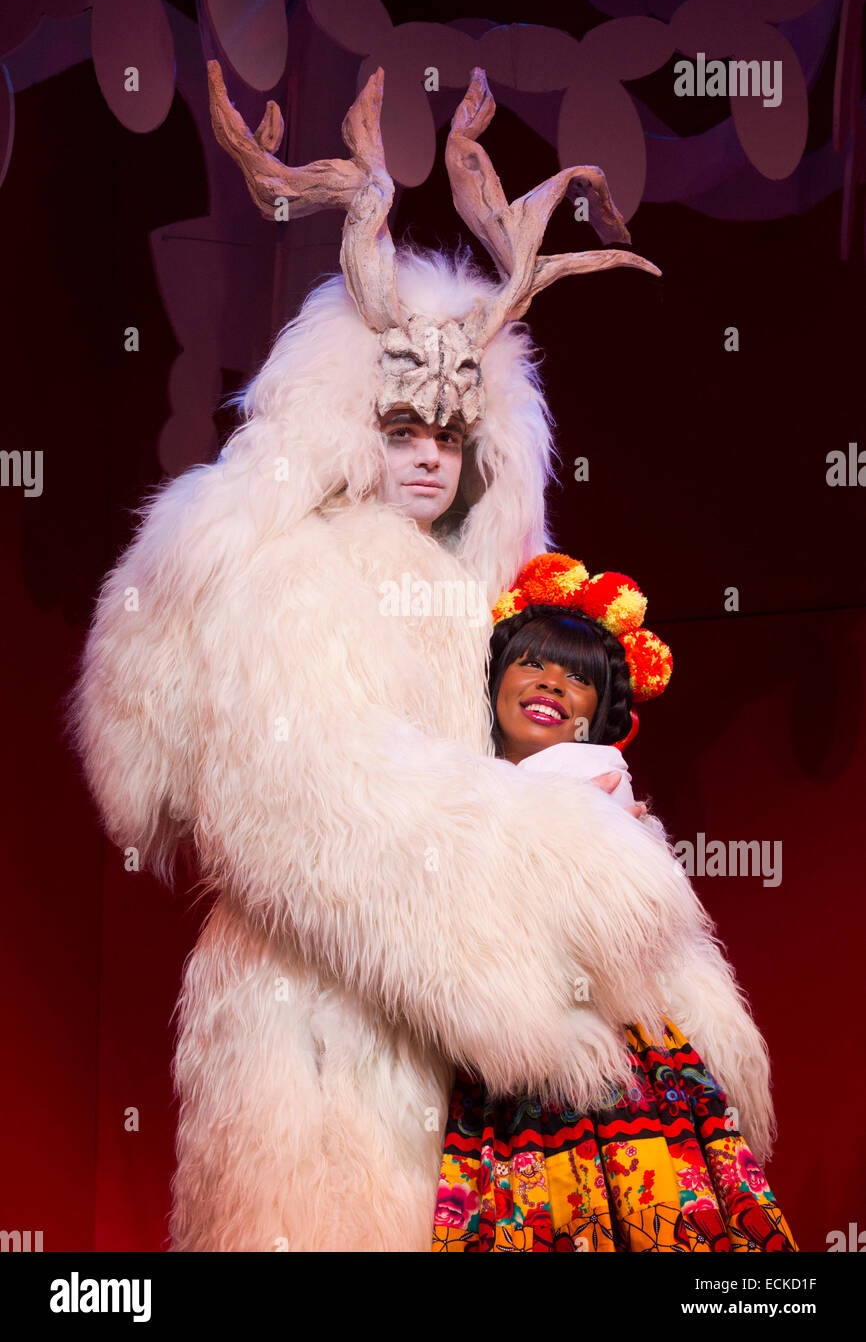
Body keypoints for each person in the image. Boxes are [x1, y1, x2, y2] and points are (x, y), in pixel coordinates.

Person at [65, 65, 778, 1251]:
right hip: (317, 1035)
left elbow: (521, 785)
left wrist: (664, 990)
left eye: (453, 434)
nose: (428, 457)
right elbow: (299, 801)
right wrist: (560, 887)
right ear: (348, 422)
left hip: (461, 1091)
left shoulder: (480, 598)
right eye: (402, 426)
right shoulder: (292, 564)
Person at [433, 554, 798, 1252]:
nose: (551, 683)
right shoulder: (482, 789)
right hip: (513, 1058)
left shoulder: (587, 784)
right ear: (494, 680)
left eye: (577, 678)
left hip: (598, 1064)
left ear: (599, 713)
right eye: (532, 664)